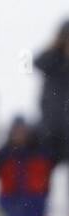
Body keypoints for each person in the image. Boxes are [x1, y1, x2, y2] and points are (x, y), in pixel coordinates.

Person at [34, 20, 69, 168]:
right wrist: (56, 48)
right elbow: (36, 62)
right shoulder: (52, 59)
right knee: (43, 171)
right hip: (50, 128)